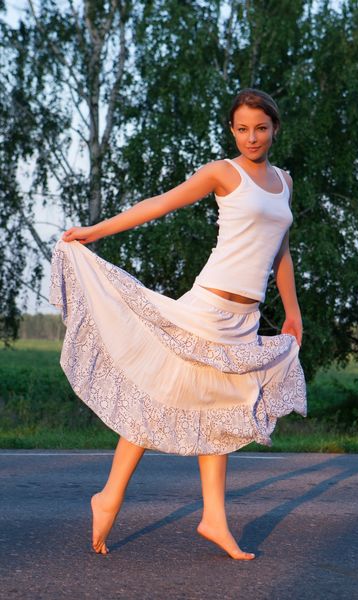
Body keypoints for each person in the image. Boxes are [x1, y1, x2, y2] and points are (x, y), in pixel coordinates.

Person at [49, 87, 307, 561]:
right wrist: (95, 231)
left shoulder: (285, 182)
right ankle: (110, 496)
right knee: (160, 392)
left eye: (261, 128)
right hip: (208, 307)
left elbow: (281, 253)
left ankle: (214, 520)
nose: (252, 137)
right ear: (232, 130)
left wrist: (293, 312)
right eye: (242, 129)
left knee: (222, 407)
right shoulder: (222, 173)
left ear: (275, 128)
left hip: (244, 320)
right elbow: (160, 204)